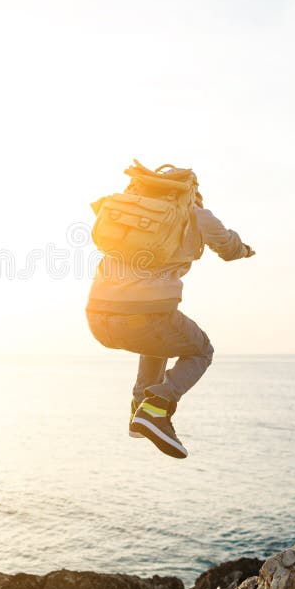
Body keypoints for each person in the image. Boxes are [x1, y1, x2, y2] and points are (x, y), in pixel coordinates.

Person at [85, 162, 254, 459]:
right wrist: (245, 249)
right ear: (188, 192)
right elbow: (229, 249)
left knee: (158, 340)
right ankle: (157, 407)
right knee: (201, 350)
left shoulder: (122, 212)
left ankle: (140, 410)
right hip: (148, 317)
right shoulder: (196, 216)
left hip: (97, 318)